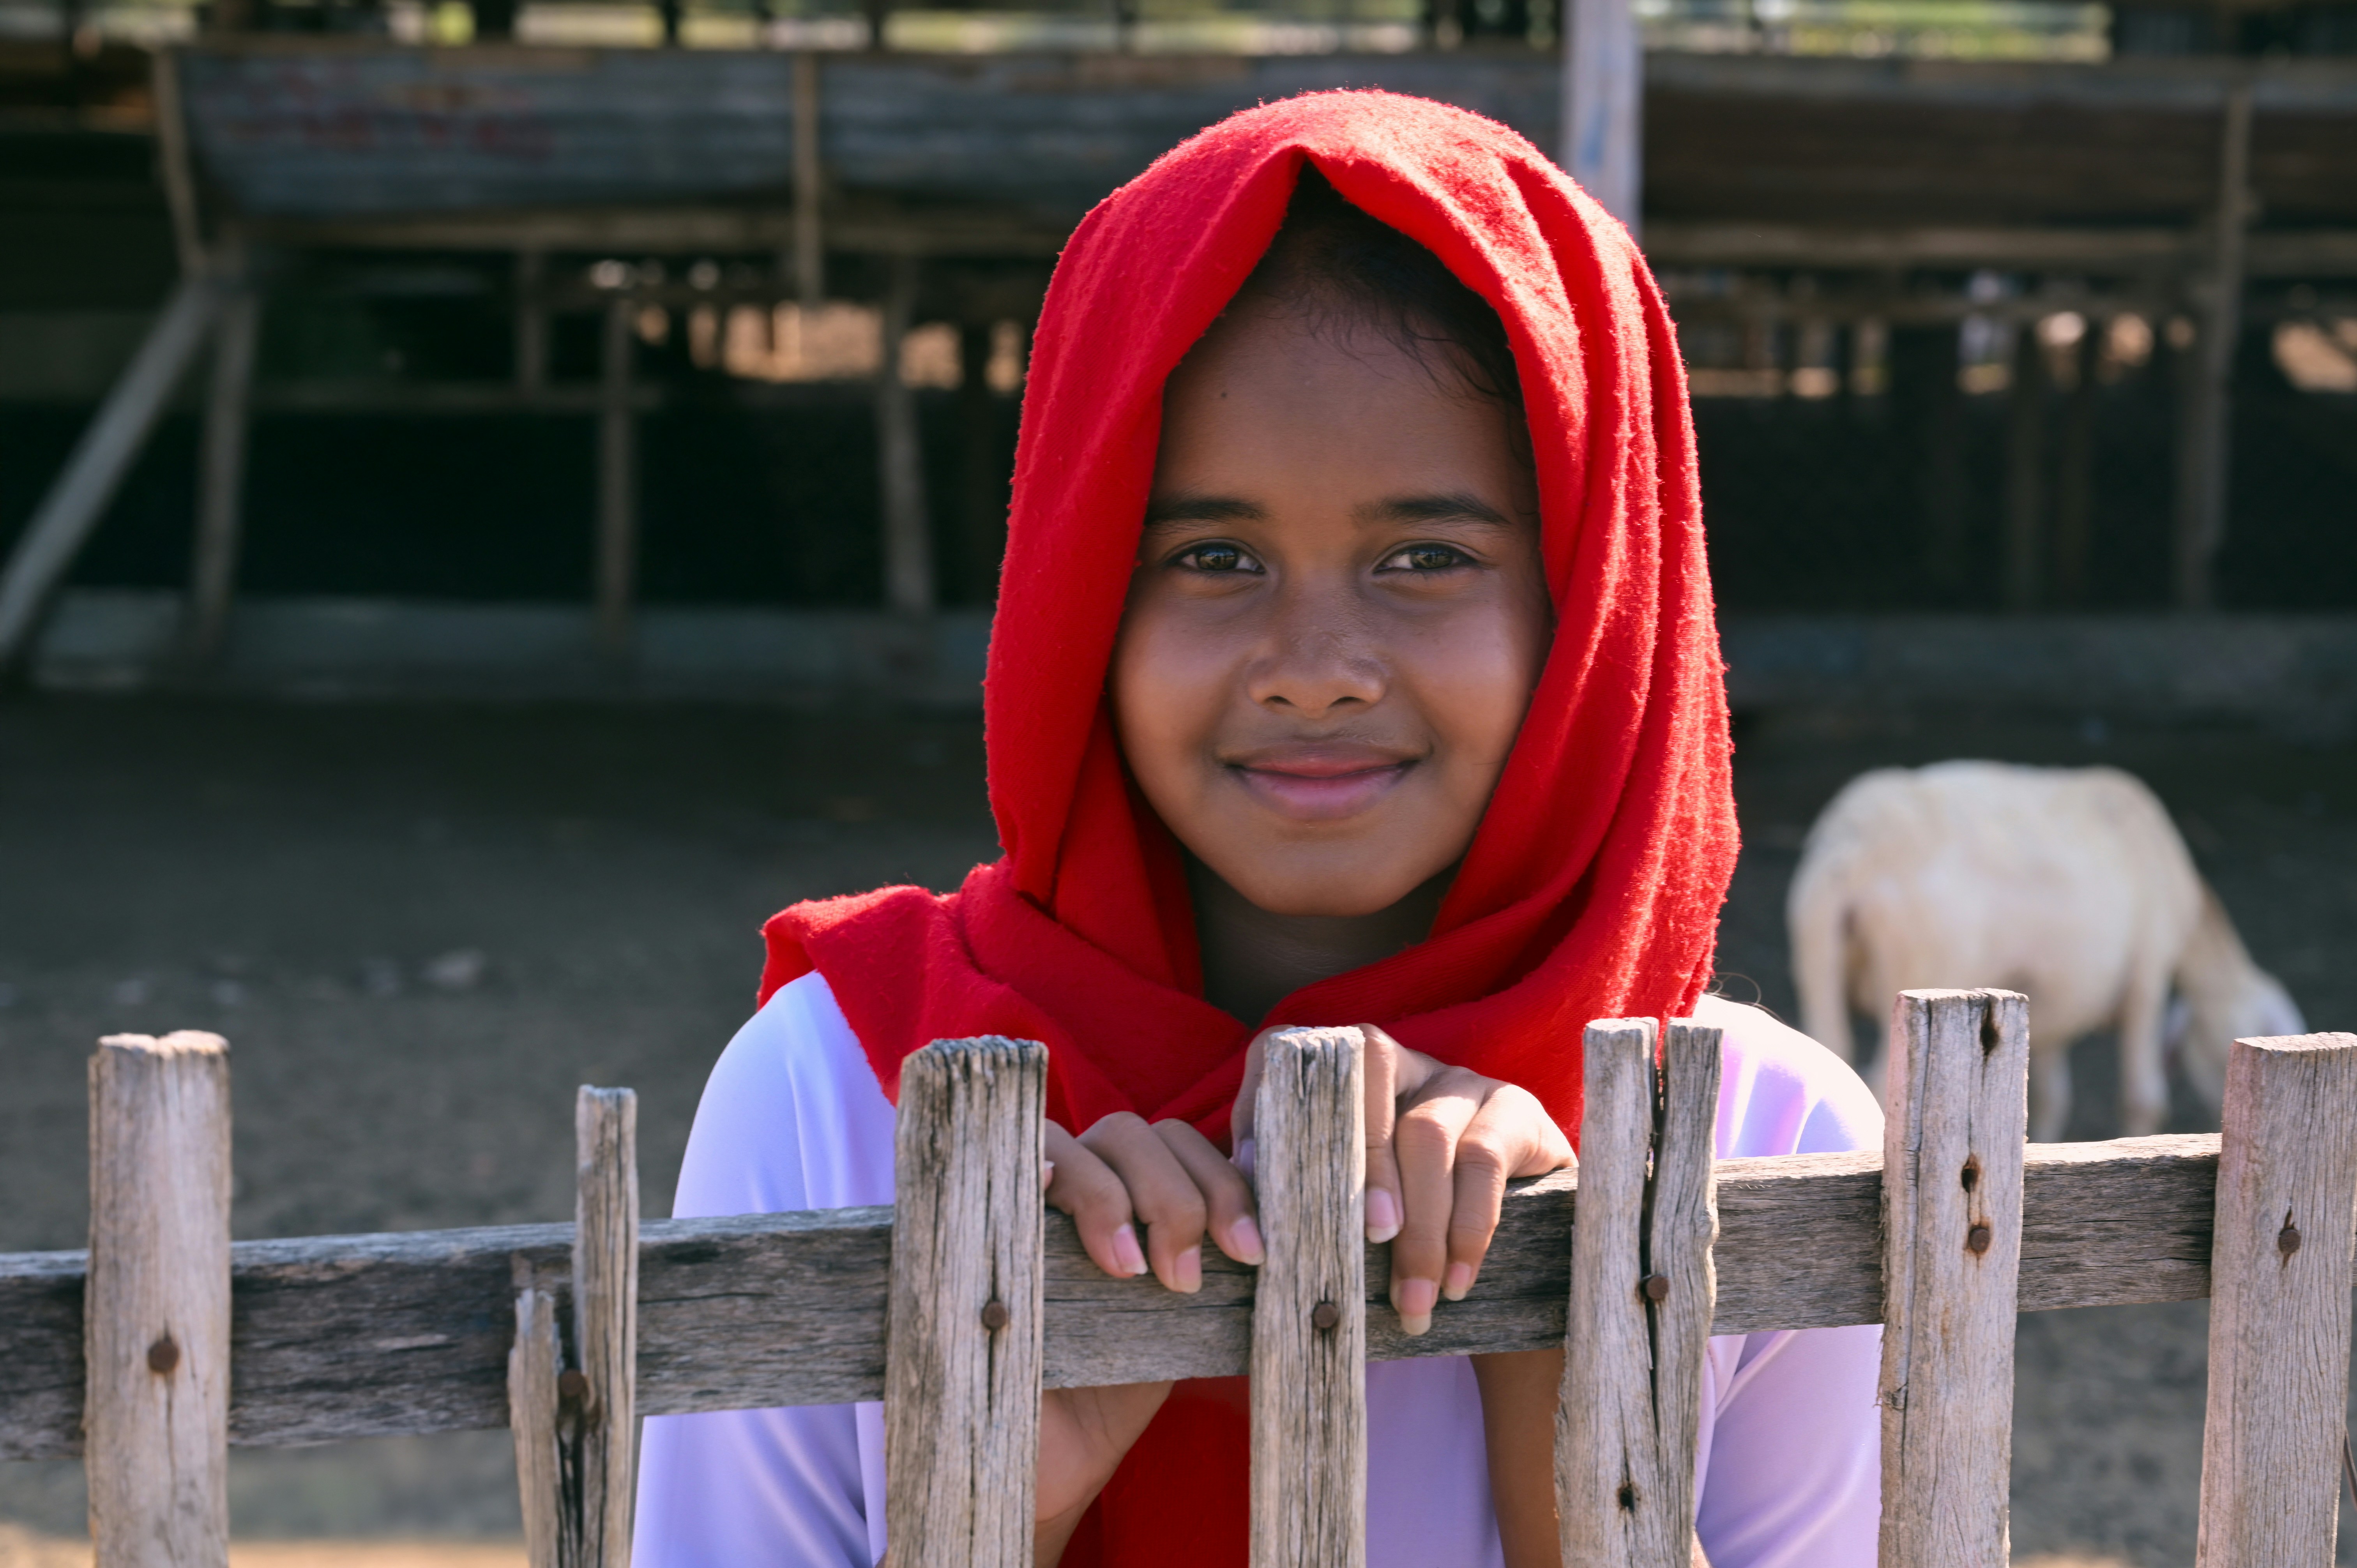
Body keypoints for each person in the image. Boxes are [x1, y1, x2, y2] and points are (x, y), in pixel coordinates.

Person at [632, 90, 1882, 1568]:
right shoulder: (847, 1101)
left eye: (1428, 556)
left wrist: (1580, 1437)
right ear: (1080, 587)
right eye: (1211, 555)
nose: (1313, 663)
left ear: (1596, 603)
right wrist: (995, 1513)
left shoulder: (1764, 1145)